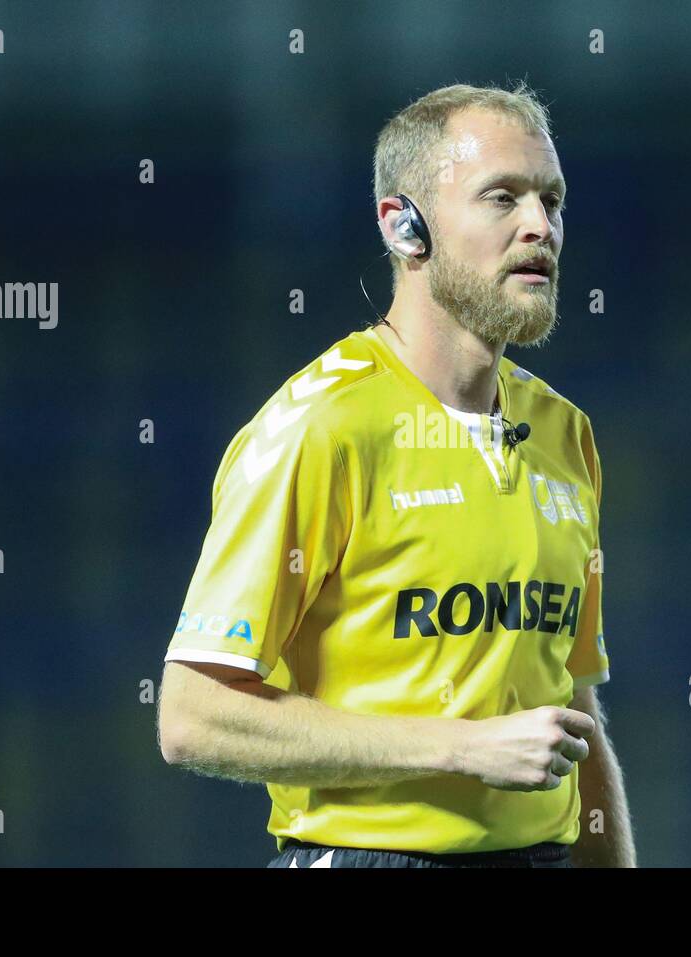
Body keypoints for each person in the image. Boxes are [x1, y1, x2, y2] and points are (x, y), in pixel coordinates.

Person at [157, 81, 635, 868]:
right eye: (502, 197)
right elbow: (192, 717)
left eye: (552, 200)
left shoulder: (564, 436)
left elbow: (574, 708)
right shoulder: (321, 425)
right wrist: (459, 748)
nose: (539, 226)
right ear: (404, 226)